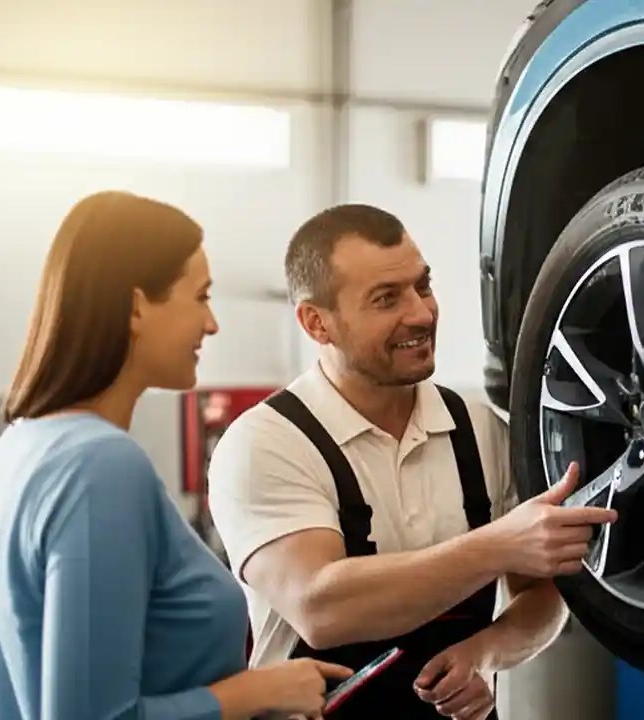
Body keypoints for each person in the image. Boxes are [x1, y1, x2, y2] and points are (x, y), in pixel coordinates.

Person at [206, 204, 616, 719]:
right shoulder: (267, 444)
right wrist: (500, 544)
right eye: (386, 299)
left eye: (423, 286)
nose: (421, 314)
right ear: (317, 323)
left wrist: (488, 652)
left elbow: (542, 594)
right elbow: (321, 608)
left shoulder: (480, 431)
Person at [0, 191, 353, 720]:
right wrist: (259, 693)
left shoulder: (22, 443)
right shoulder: (100, 466)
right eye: (200, 296)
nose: (211, 323)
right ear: (135, 307)